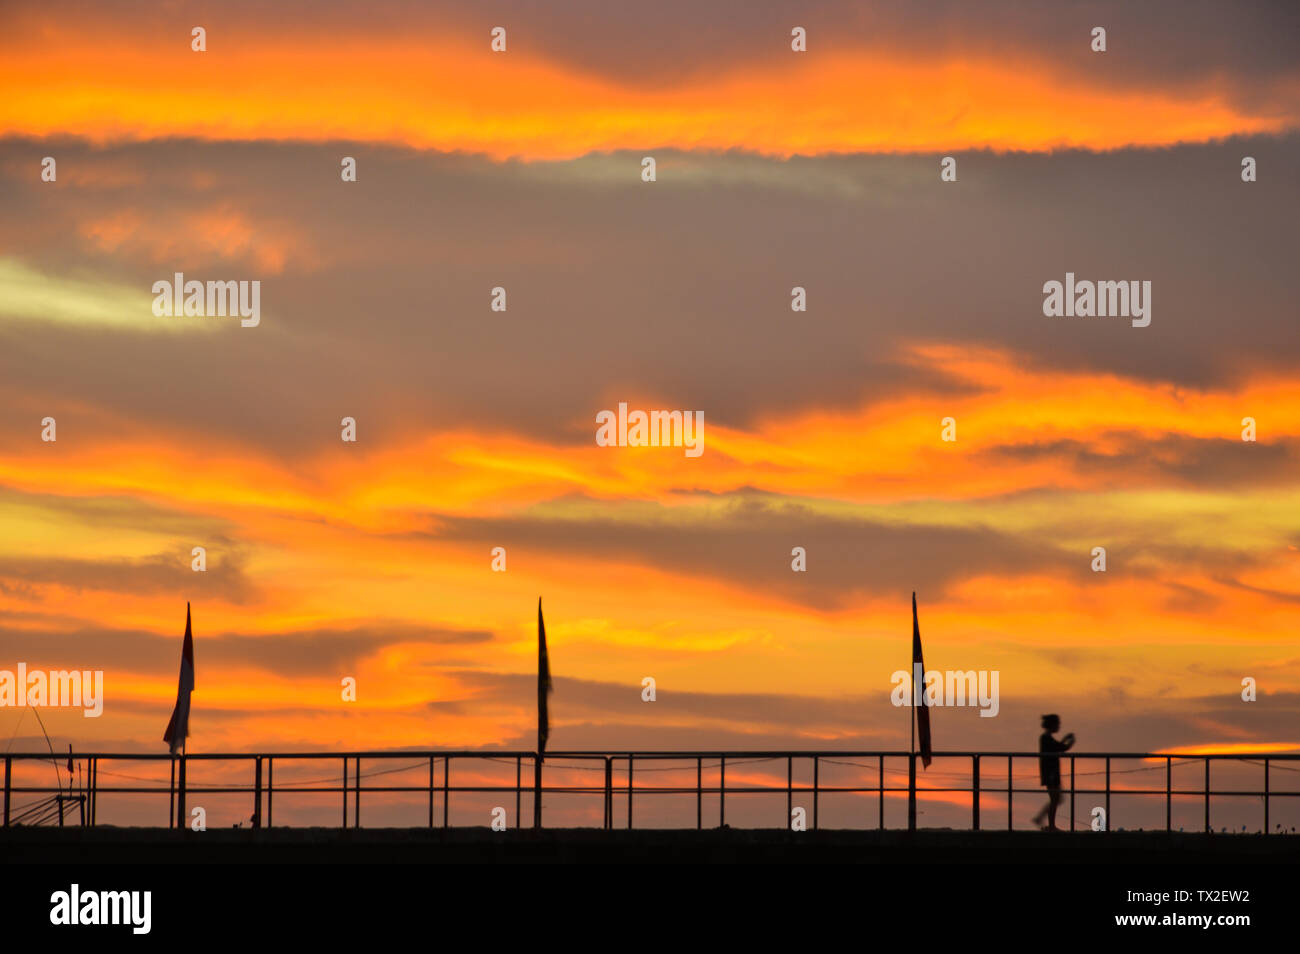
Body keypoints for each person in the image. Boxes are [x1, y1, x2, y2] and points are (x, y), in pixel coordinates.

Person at [1031, 714, 1074, 830]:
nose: (1059, 726)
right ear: (1052, 725)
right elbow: (1061, 748)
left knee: (1056, 798)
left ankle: (1043, 820)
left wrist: (1065, 740)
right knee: (1055, 798)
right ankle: (1049, 824)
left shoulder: (1047, 738)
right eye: (1057, 724)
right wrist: (1070, 742)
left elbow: (1057, 746)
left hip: (1051, 772)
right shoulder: (1045, 738)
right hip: (1051, 773)